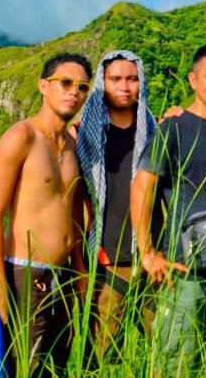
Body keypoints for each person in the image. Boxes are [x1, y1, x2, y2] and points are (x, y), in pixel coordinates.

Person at [130, 44, 206, 378]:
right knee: (177, 360)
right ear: (193, 80)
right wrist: (147, 251)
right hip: (182, 267)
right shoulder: (175, 127)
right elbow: (143, 186)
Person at [0, 53, 93, 374]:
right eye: (65, 83)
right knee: (25, 367)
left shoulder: (71, 144)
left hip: (63, 276)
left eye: (82, 87)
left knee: (55, 367)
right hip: (24, 275)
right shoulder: (21, 137)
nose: (74, 92)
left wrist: (80, 272)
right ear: (44, 86)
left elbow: (73, 215)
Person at [74, 50, 158, 359]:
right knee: (103, 353)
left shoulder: (155, 132)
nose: (124, 87)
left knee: (160, 348)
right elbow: (74, 198)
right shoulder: (85, 135)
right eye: (115, 79)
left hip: (151, 256)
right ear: (102, 83)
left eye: (132, 79)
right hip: (107, 258)